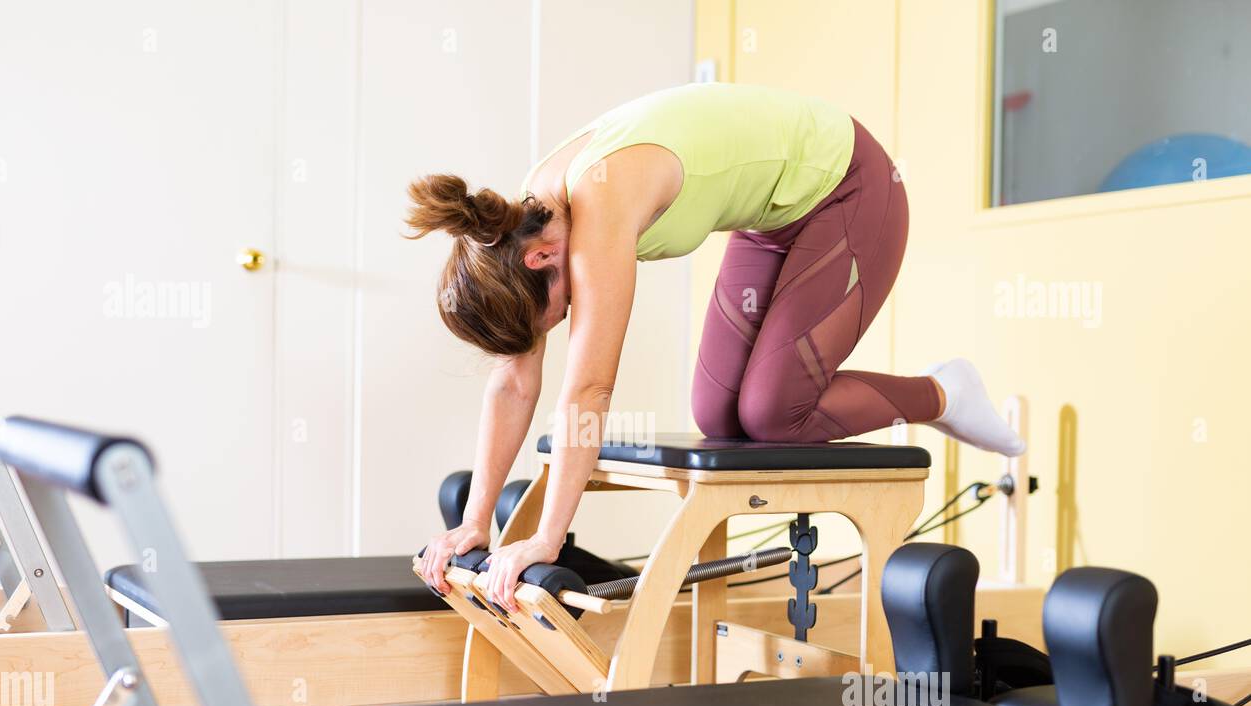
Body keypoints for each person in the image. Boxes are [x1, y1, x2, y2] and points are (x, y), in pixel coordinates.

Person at [411, 83, 1024, 612]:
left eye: (554, 317)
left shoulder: (595, 208)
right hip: (775, 219)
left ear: (541, 259)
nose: (557, 326)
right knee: (719, 413)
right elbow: (515, 382)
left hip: (851, 188)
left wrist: (548, 537)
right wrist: (474, 520)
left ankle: (943, 393)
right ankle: (934, 392)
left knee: (771, 413)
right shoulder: (518, 229)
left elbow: (589, 388)